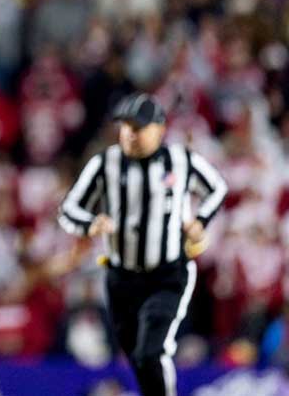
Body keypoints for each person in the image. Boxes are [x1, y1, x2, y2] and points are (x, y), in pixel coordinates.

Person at [59, 93, 228, 396]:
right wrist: (90, 223)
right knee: (136, 355)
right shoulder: (105, 163)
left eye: (137, 128)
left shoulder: (181, 161)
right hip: (121, 276)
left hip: (167, 273)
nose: (129, 134)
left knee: (151, 351)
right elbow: (69, 208)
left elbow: (217, 188)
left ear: (159, 129)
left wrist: (200, 221)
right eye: (125, 127)